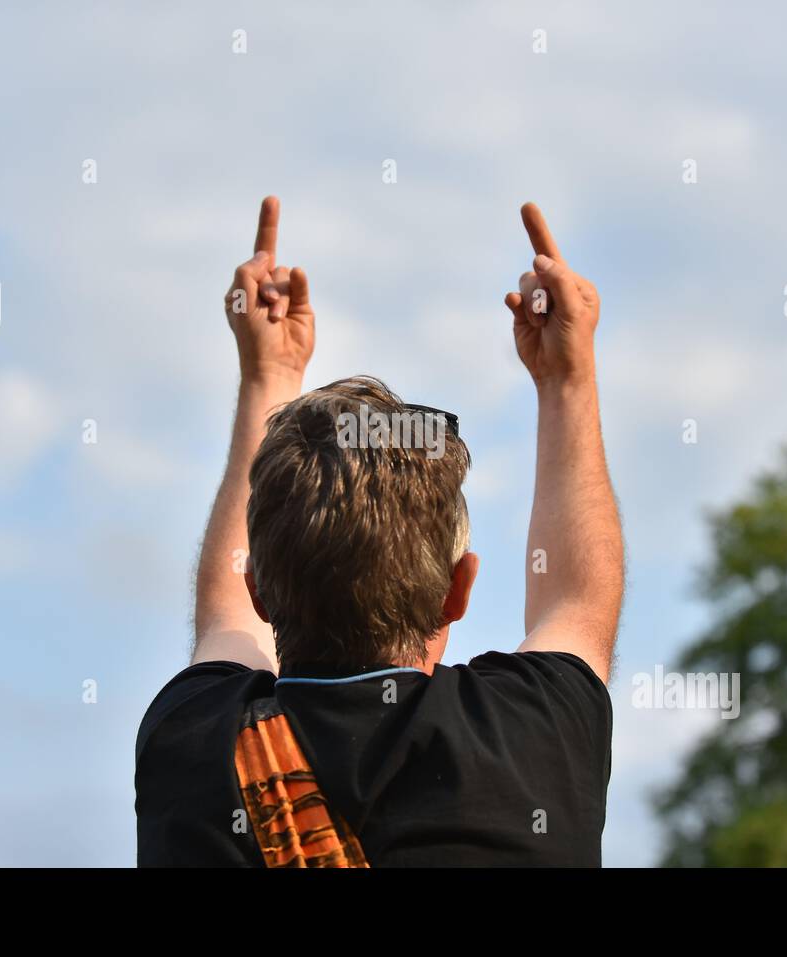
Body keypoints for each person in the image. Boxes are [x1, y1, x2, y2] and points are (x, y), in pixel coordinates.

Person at [135, 196, 624, 866]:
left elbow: (226, 619)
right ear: (459, 588)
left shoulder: (192, 745)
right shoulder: (530, 737)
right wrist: (567, 376)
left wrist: (267, 375)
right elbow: (579, 598)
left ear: (259, 587)